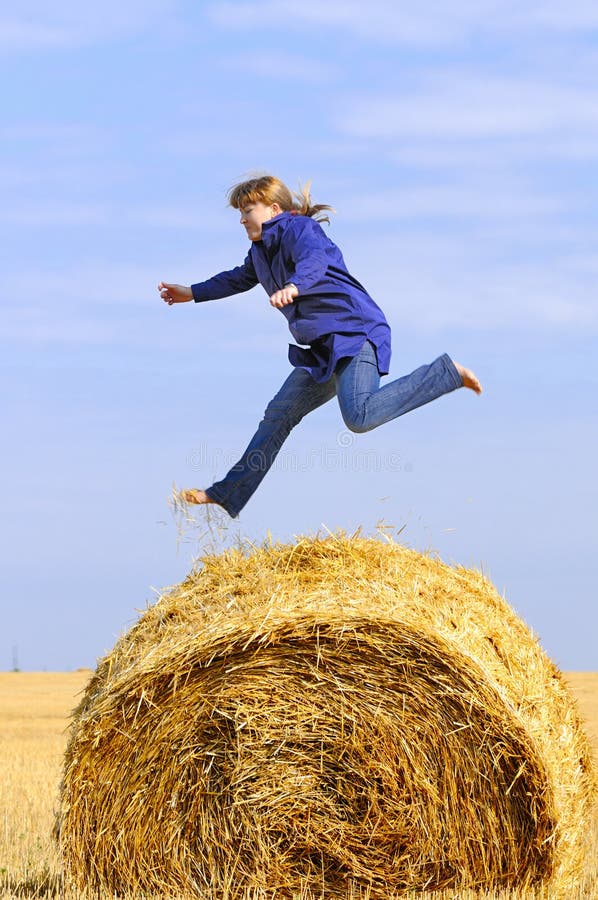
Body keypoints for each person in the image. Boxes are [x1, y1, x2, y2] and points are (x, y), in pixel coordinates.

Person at [159, 174, 482, 518]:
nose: (241, 219)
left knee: (359, 416)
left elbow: (315, 262)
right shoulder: (260, 253)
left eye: (247, 210)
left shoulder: (302, 232)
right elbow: (235, 279)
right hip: (323, 349)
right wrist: (191, 293)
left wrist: (295, 286)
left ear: (273, 208)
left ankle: (446, 374)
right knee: (279, 415)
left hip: (354, 333)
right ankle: (226, 493)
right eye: (239, 212)